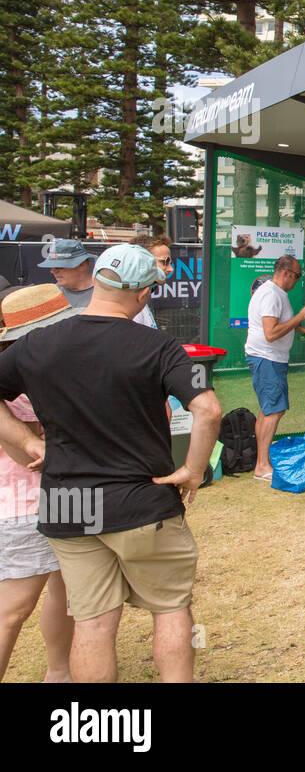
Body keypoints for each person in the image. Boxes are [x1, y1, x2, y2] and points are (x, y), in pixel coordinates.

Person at [0, 245, 222, 683]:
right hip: (141, 500)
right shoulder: (161, 346)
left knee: (93, 623)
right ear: (143, 294)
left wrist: (27, 441)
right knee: (171, 609)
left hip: (65, 503)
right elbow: (209, 410)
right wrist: (194, 470)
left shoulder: (35, 345)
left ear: (96, 280)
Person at [0, 285, 77, 681]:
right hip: (26, 503)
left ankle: (60, 672)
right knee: (14, 607)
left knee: (68, 592)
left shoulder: (43, 372)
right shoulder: (13, 386)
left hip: (68, 495)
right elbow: (27, 456)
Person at [243, 255, 305, 481]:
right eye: (297, 276)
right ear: (286, 273)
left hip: (268, 358)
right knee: (274, 410)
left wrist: (299, 329)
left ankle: (262, 460)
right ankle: (262, 466)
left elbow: (277, 327)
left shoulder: (272, 293)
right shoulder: (271, 295)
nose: (297, 280)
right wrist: (301, 317)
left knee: (268, 410)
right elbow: (271, 333)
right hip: (268, 358)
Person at [128, 234, 175, 329]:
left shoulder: (139, 301)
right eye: (164, 262)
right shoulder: (129, 307)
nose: (171, 269)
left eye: (170, 263)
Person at [37, 239, 96, 309]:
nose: (53, 271)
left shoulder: (106, 292)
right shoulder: (51, 295)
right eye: (51, 266)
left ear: (81, 265)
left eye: (59, 266)